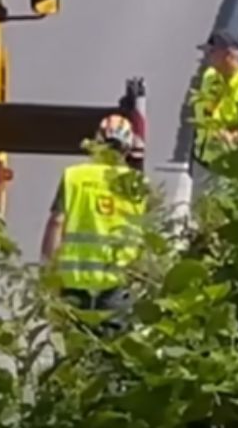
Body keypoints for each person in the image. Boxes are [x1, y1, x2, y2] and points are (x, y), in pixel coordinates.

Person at [42, 113, 145, 328]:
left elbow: (56, 223)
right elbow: (145, 234)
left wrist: (48, 273)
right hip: (118, 285)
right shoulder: (138, 184)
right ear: (127, 149)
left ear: (96, 142)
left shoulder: (74, 177)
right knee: (112, 345)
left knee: (73, 344)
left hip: (73, 284)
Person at [191, 30, 238, 198]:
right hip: (203, 161)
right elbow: (203, 112)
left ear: (228, 55)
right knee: (199, 211)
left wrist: (232, 136)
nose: (208, 57)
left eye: (212, 52)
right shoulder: (210, 77)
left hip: (230, 166)